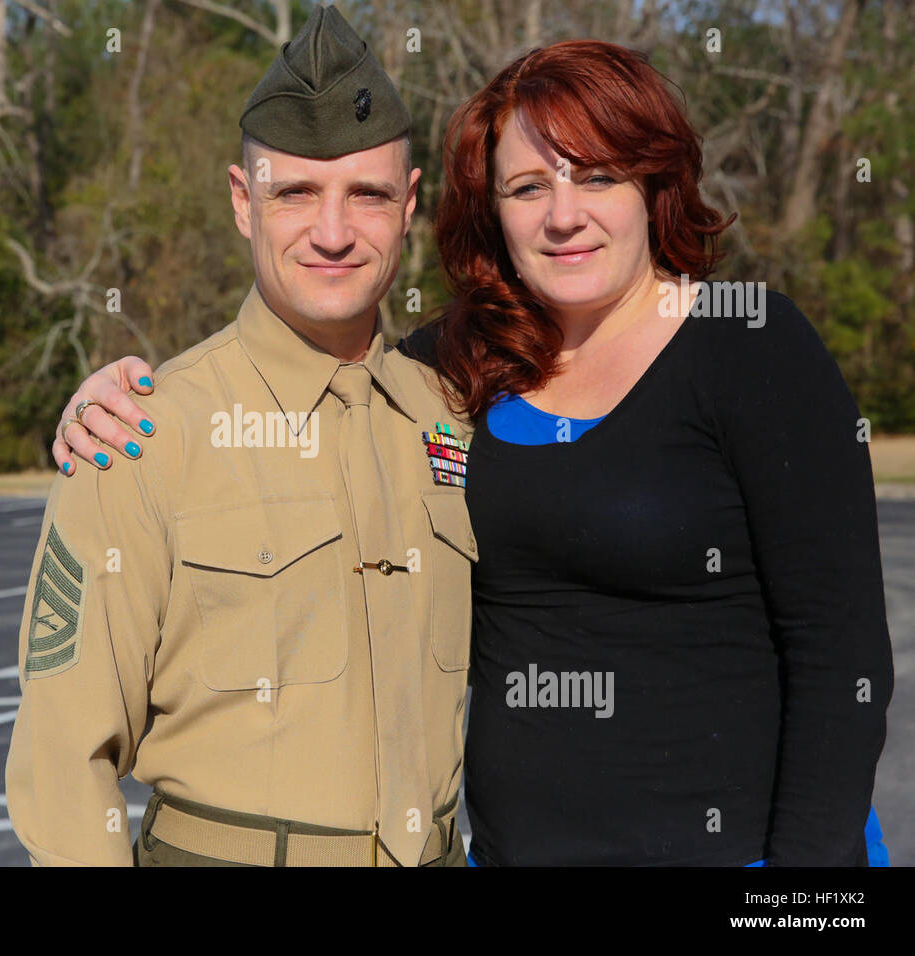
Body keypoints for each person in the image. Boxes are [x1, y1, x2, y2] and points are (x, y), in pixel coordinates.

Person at [53, 39, 894, 866]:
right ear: (492, 208)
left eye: (598, 176)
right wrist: (119, 396)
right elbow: (311, 367)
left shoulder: (750, 348)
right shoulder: (452, 370)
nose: (564, 215)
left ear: (655, 185)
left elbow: (840, 658)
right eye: (528, 187)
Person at [5, 4, 477, 867]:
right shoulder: (143, 432)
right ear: (241, 201)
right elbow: (64, 762)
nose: (332, 233)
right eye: (295, 191)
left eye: (367, 195)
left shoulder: (451, 412)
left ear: (409, 206)